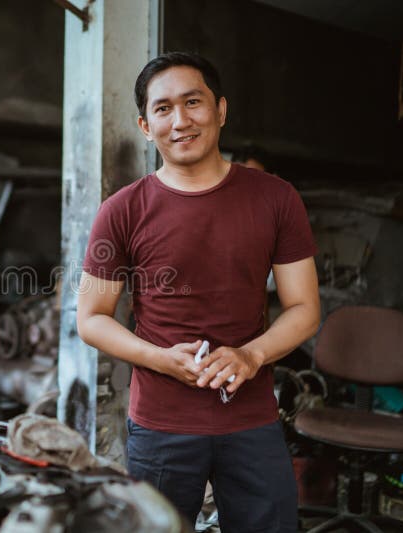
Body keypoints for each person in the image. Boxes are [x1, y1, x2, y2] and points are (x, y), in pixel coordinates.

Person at [76, 51, 320, 532]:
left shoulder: (276, 198)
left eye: (194, 102)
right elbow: (92, 318)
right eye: (163, 109)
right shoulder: (120, 210)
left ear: (221, 110)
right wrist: (159, 358)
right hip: (161, 424)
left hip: (251, 419)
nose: (181, 120)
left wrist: (250, 356)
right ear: (146, 126)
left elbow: (304, 307)